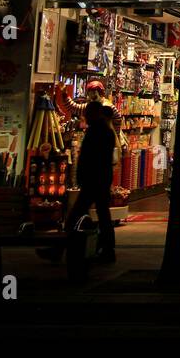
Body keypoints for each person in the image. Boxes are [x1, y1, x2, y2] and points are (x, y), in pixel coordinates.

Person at [65, 91, 118, 263]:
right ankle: (107, 249)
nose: (85, 117)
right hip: (100, 178)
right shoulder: (103, 130)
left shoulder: (98, 131)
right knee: (102, 214)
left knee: (78, 215)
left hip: (94, 179)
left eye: (88, 113)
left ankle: (63, 247)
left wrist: (83, 174)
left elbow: (91, 156)